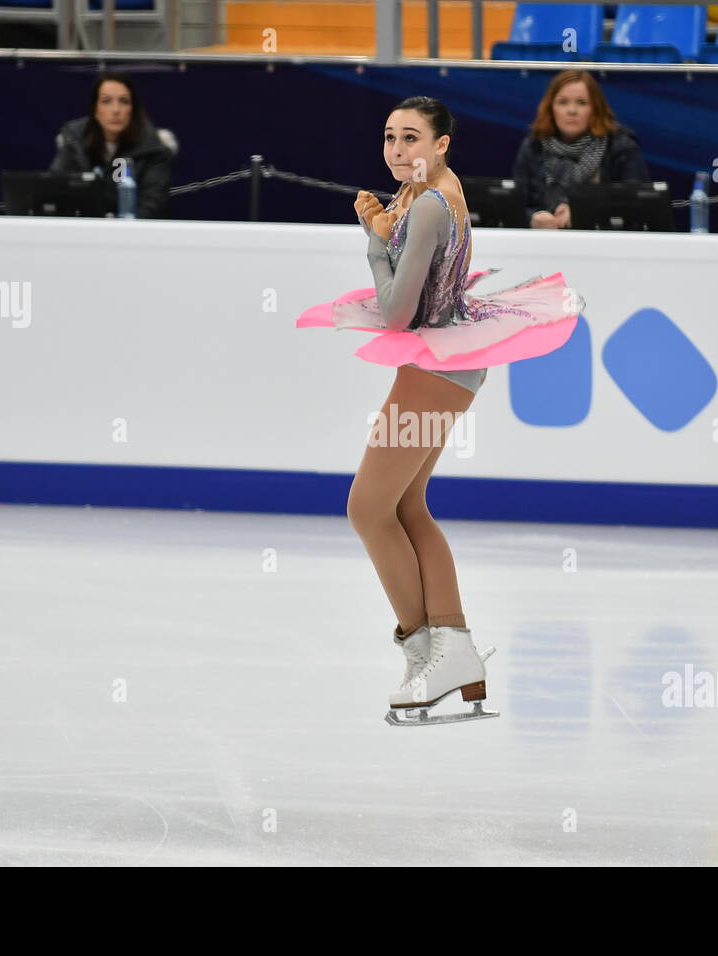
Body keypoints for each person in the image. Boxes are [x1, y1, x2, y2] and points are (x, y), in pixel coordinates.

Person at [295, 96, 584, 722]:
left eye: (411, 139)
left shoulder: (426, 204)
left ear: (442, 144)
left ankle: (429, 647)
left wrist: (373, 245)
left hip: (438, 364)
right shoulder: (426, 191)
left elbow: (399, 311)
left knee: (367, 508)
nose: (398, 151)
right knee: (404, 505)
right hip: (445, 359)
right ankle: (450, 650)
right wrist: (385, 229)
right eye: (390, 138)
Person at [512, 70, 651, 229]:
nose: (572, 110)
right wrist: (532, 219)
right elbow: (515, 207)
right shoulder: (533, 145)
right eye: (563, 102)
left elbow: (640, 208)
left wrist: (585, 212)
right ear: (551, 108)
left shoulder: (620, 146)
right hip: (545, 243)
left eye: (581, 102)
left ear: (595, 109)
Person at [48, 71, 176, 219]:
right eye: (106, 101)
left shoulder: (153, 148)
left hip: (132, 234)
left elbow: (152, 204)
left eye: (124, 101)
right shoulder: (74, 141)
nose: (116, 110)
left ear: (132, 110)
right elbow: (55, 189)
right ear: (95, 110)